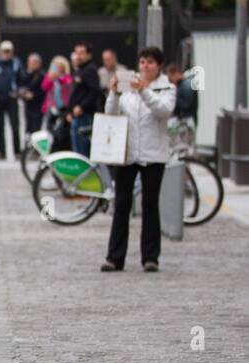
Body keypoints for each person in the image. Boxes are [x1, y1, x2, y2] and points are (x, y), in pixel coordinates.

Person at [101, 47, 176, 273]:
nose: (145, 67)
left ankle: (150, 257)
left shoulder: (167, 87)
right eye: (142, 62)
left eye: (150, 63)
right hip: (128, 152)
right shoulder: (128, 85)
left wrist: (144, 91)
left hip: (154, 154)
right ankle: (114, 257)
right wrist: (114, 93)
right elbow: (111, 114)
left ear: (159, 66)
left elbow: (163, 111)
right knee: (122, 204)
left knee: (150, 205)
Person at [0, 40, 23, 160]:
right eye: (4, 51)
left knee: (15, 126)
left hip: (11, 99)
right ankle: (2, 153)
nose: (6, 54)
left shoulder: (16, 64)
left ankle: (17, 152)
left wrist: (17, 92)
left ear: (12, 52)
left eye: (8, 51)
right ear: (0, 52)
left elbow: (22, 79)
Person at [67, 40, 103, 157]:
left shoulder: (90, 70)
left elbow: (95, 91)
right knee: (77, 149)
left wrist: (82, 107)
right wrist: (69, 111)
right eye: (77, 53)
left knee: (82, 151)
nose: (78, 56)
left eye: (82, 53)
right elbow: (75, 93)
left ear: (89, 55)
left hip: (85, 115)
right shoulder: (79, 70)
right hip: (76, 115)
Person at [41, 55, 74, 151]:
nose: (58, 68)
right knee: (49, 128)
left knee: (61, 130)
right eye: (56, 66)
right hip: (51, 107)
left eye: (60, 66)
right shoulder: (50, 77)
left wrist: (59, 77)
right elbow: (44, 87)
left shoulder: (67, 77)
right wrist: (51, 78)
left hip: (63, 107)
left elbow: (68, 84)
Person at [19, 52, 46, 134]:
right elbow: (22, 86)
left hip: (38, 107)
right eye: (30, 63)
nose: (31, 65)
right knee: (28, 128)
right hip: (28, 106)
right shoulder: (26, 75)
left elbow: (44, 91)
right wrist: (23, 93)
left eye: (34, 63)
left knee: (36, 129)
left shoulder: (42, 76)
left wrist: (33, 95)